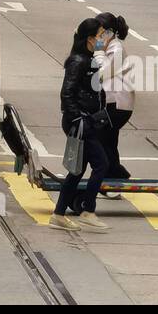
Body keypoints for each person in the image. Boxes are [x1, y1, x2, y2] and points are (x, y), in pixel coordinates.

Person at [50, 18, 109, 232]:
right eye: (101, 35)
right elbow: (67, 93)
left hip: (87, 120)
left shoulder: (89, 59)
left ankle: (58, 214)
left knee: (76, 171)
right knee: (101, 164)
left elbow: (94, 89)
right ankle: (88, 210)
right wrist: (79, 118)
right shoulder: (77, 61)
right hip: (80, 122)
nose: (104, 39)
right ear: (90, 38)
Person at [94, 12, 132, 188]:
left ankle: (116, 174)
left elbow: (104, 73)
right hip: (113, 102)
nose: (97, 36)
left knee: (104, 140)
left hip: (118, 104)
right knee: (108, 140)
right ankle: (114, 176)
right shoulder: (111, 47)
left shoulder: (116, 49)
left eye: (100, 32)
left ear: (109, 32)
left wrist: (98, 52)